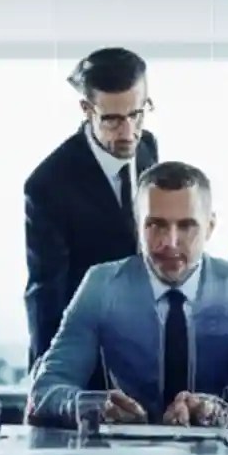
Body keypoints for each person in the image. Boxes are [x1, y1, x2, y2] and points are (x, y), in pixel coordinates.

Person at [28, 161, 228, 428]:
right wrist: (95, 408)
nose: (170, 242)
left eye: (186, 226)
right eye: (156, 225)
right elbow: (47, 389)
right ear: (138, 225)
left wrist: (227, 413)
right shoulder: (102, 285)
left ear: (210, 227)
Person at [24, 47, 158, 385]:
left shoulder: (148, 148)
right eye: (112, 119)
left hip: (145, 348)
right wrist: (48, 375)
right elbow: (46, 289)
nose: (128, 132)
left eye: (137, 114)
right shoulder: (48, 184)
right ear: (86, 109)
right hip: (86, 353)